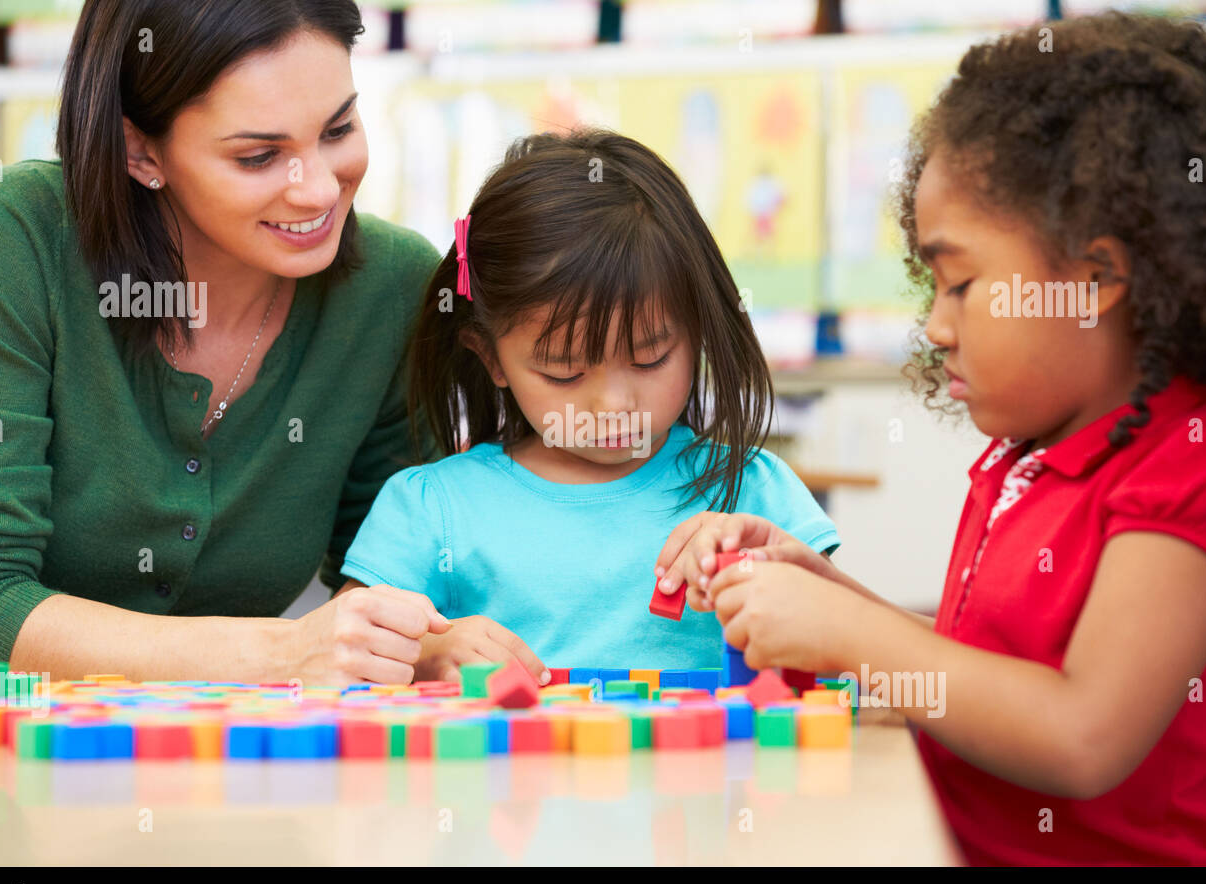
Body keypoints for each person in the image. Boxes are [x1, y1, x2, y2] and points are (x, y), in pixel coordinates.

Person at [680, 13, 1206, 864]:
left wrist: (847, 633)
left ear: (1093, 281)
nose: (936, 326)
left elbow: (1080, 735)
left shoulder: (1200, 459)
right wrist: (822, 585)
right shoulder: (1024, 461)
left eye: (962, 284)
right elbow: (974, 679)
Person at [0, 0, 449, 683]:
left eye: (338, 129)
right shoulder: (14, 239)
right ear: (141, 151)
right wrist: (281, 653)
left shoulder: (392, 289)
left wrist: (392, 634)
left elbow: (393, 572)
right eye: (259, 155)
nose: (322, 189)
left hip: (242, 766)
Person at [338, 130, 840, 682]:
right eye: (565, 372)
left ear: (697, 331)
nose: (614, 404)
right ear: (491, 359)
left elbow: (848, 649)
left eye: (651, 358)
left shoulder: (751, 492)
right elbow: (338, 658)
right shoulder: (433, 511)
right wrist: (429, 654)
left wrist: (765, 577)